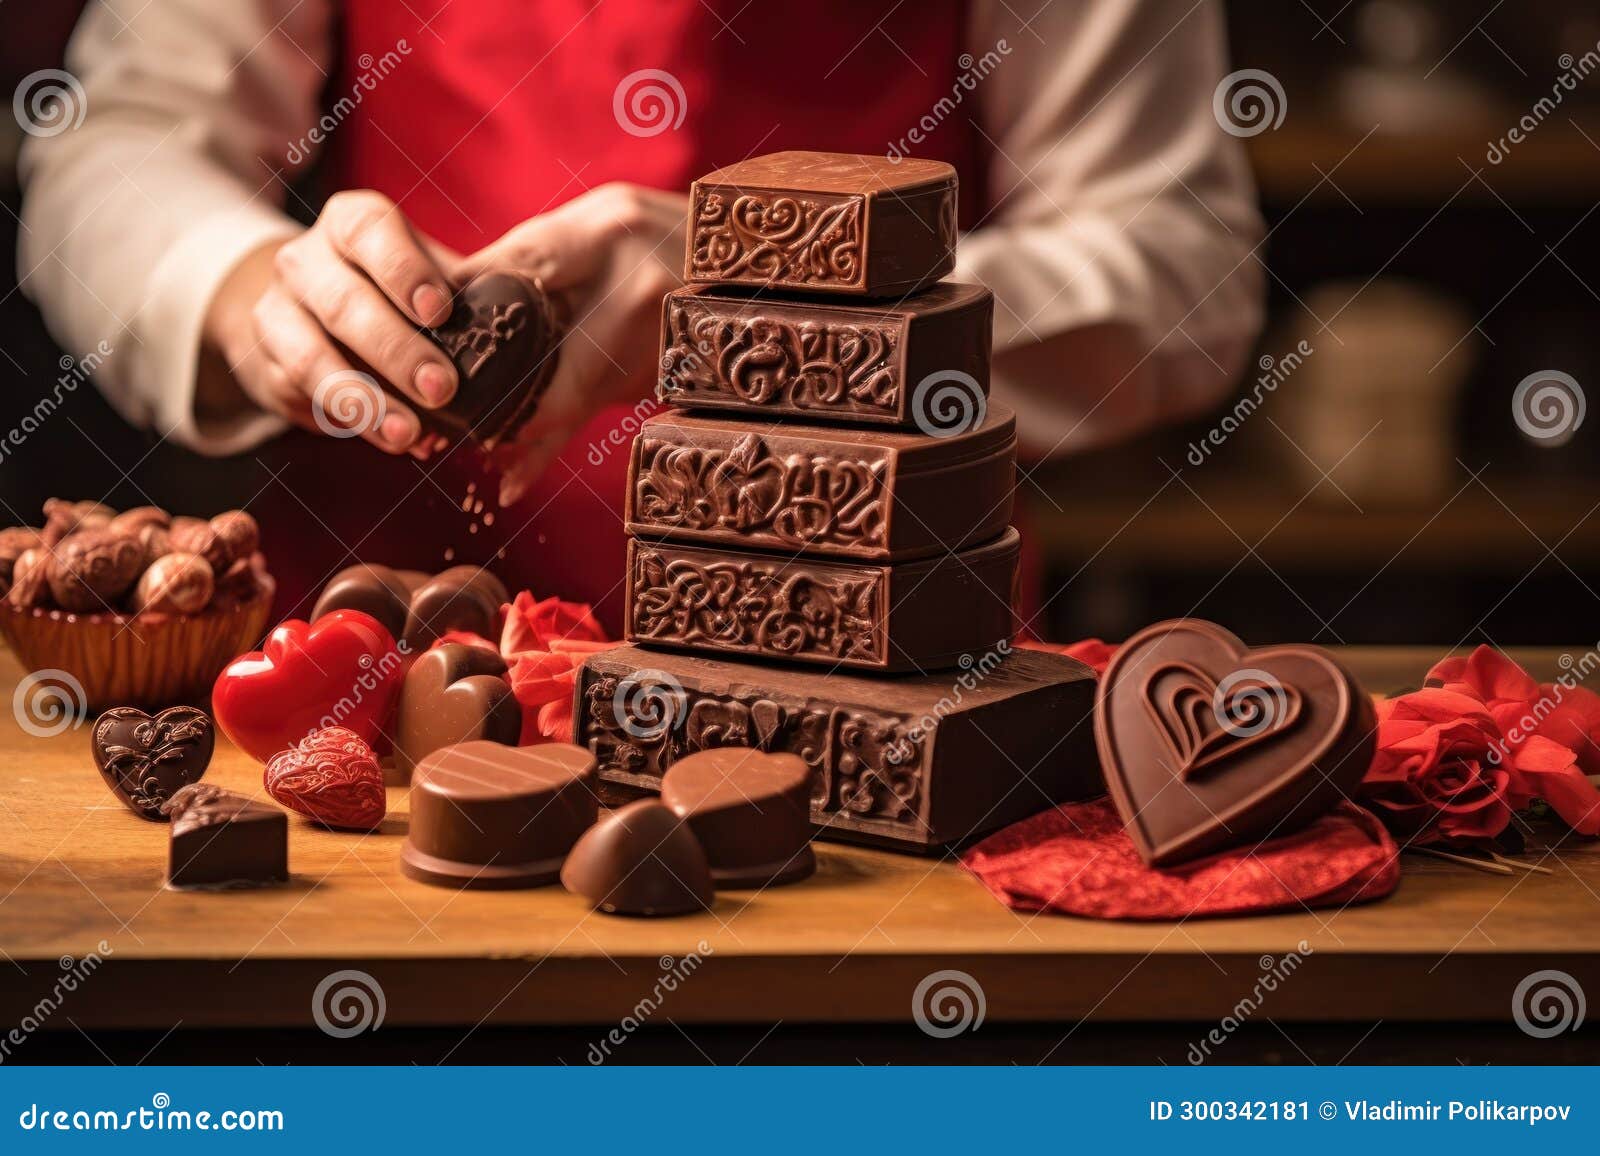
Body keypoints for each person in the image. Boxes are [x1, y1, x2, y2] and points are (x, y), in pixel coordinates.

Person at [18, 0, 1263, 631]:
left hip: (892, 656)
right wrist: (250, 297)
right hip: (364, 671)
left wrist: (800, 293)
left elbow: (1183, 273)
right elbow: (107, 150)